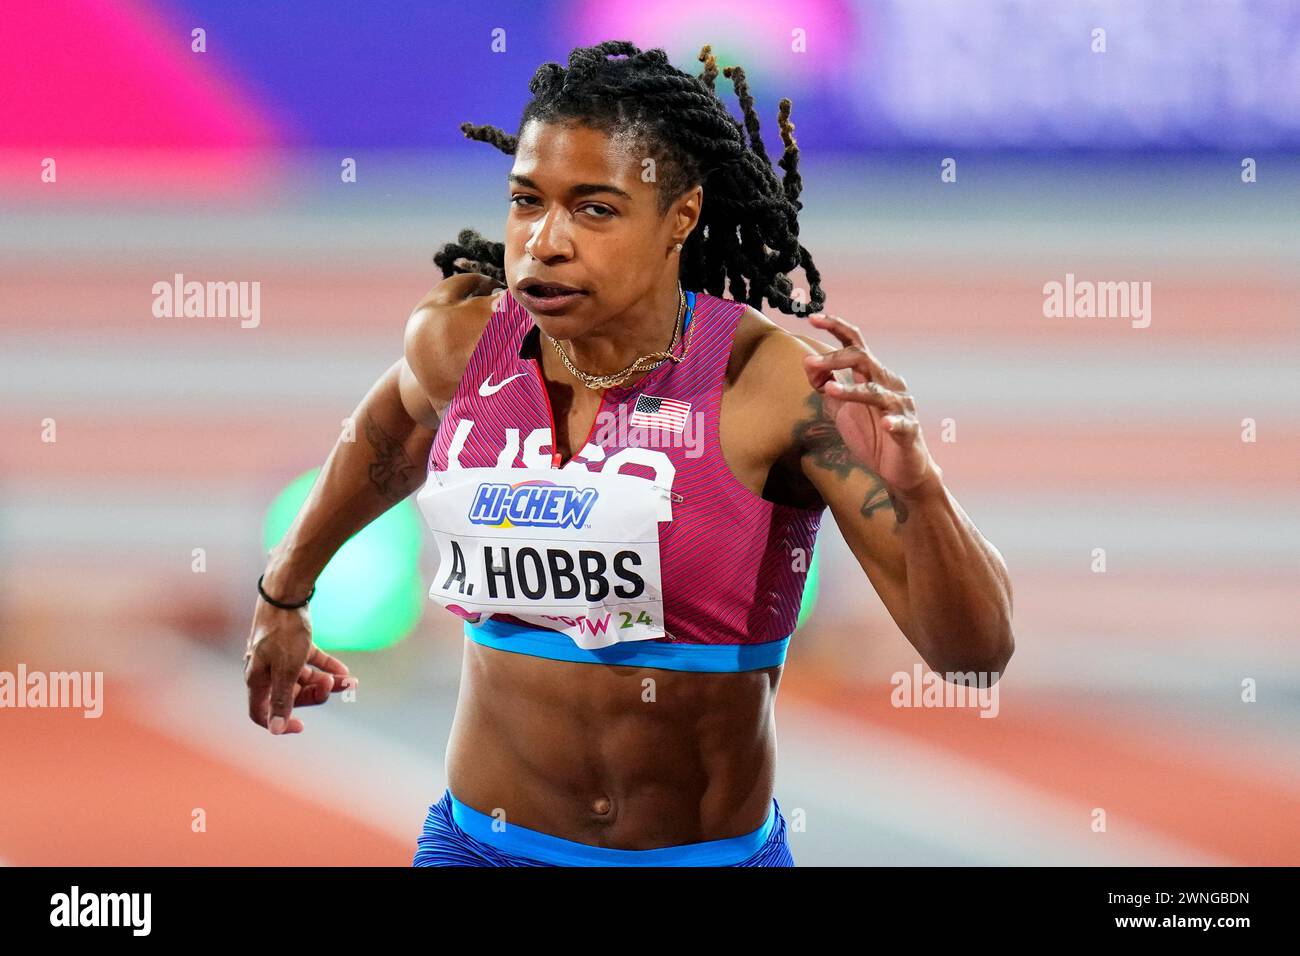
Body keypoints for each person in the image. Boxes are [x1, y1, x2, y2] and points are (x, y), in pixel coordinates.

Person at [243, 40, 1015, 867]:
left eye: (594, 209)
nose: (544, 241)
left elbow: (974, 656)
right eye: (526, 201)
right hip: (483, 848)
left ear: (679, 216)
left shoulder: (772, 388)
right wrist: (284, 593)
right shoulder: (460, 344)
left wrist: (922, 491)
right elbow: (386, 438)